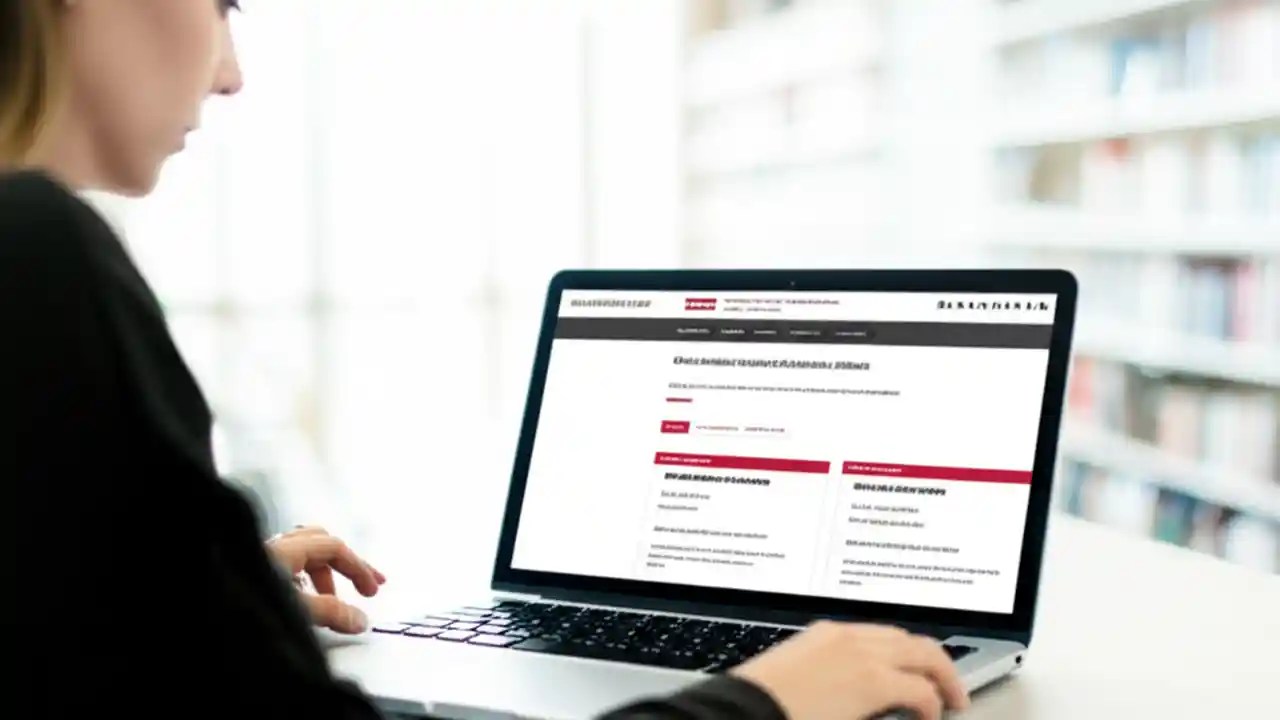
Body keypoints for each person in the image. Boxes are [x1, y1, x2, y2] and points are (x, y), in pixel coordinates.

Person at [0, 2, 971, 719]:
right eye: (223, 4)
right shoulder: (37, 252)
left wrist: (180, 602)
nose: (231, 72)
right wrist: (761, 701)